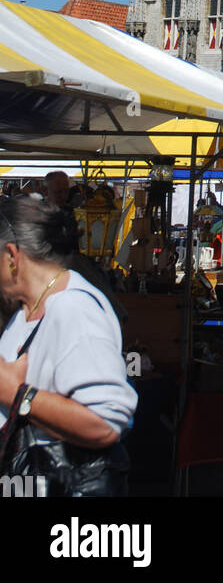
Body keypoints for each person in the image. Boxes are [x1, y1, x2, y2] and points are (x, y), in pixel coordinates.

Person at [0, 197, 137, 495]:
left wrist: (17, 393)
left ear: (12, 256)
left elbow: (105, 421)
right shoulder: (28, 309)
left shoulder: (72, 308)